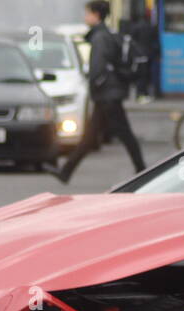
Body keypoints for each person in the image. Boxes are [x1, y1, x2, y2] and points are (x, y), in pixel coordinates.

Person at [55, 0, 145, 184]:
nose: (85, 17)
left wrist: (95, 84)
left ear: (96, 15)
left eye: (87, 13)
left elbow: (98, 67)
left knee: (124, 133)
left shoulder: (100, 37)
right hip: (107, 93)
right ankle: (65, 171)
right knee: (90, 137)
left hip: (107, 94)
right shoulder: (103, 34)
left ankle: (142, 170)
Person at [130, 11, 159, 103]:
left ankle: (140, 95)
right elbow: (156, 42)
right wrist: (158, 54)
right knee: (147, 75)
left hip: (139, 55)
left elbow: (131, 41)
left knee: (140, 75)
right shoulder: (151, 27)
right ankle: (146, 94)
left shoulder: (135, 27)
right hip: (149, 54)